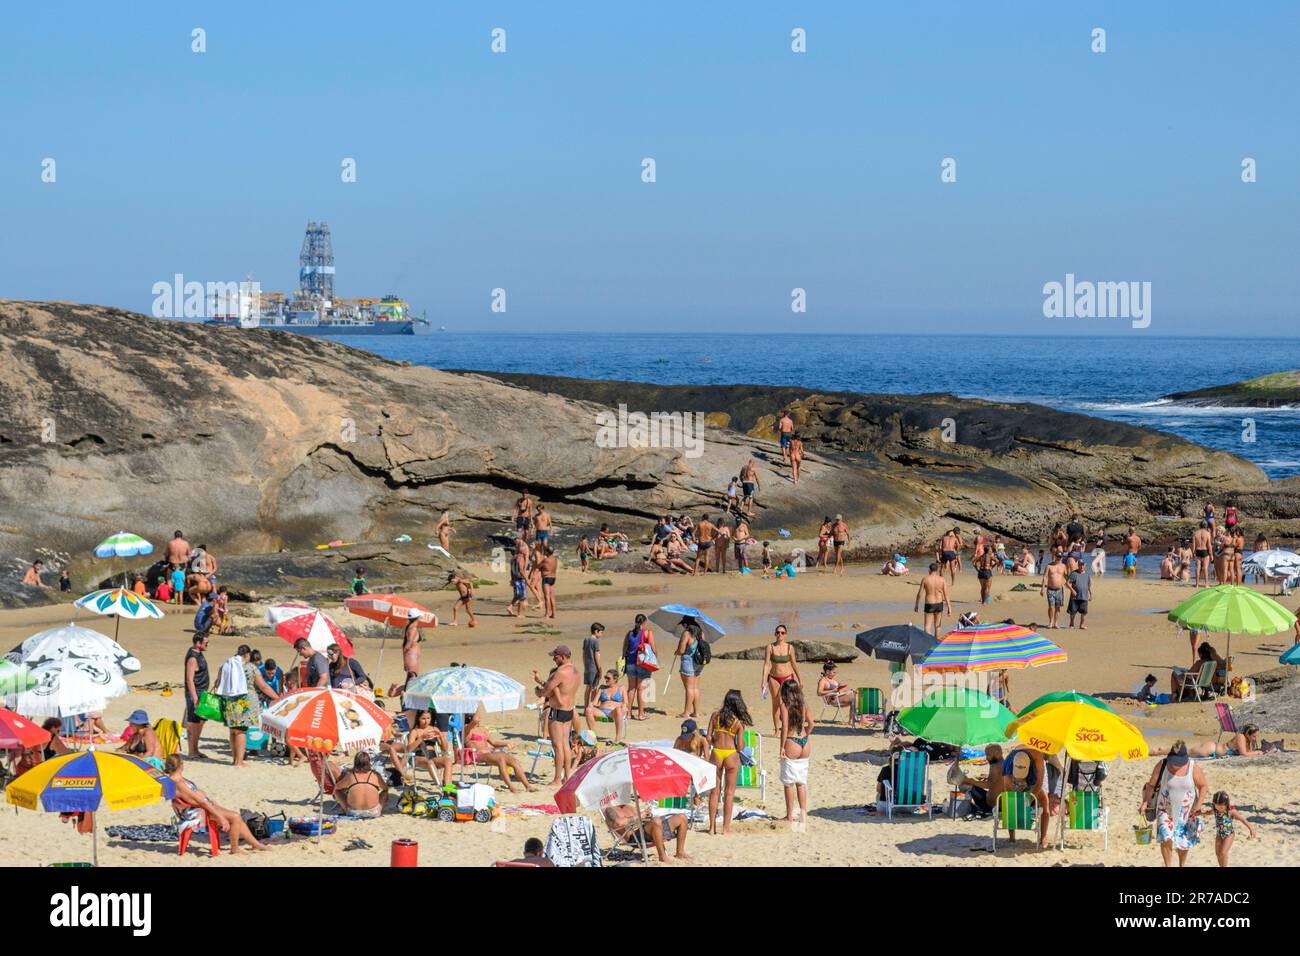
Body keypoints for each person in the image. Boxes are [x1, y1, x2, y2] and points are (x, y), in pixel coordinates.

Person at [165, 754, 268, 853]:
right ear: (181, 765)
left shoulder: (171, 780)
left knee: (236, 817)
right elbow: (199, 801)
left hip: (199, 808)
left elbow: (195, 798)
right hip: (198, 812)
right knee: (235, 817)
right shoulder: (179, 783)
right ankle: (235, 848)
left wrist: (214, 804)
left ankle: (255, 844)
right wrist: (220, 817)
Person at [1140, 741, 1208, 867]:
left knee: (1183, 842)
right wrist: (1145, 802)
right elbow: (1151, 785)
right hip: (1165, 809)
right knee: (1166, 837)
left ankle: (1182, 865)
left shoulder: (1193, 767)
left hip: (1187, 812)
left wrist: (1198, 806)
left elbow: (1203, 786)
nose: (1175, 765)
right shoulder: (1162, 764)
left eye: (1178, 762)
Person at [220, 645, 279, 767]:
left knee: (233, 730)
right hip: (245, 701)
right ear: (247, 655)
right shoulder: (251, 667)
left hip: (230, 700)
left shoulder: (228, 664)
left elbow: (219, 681)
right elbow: (263, 686)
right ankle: (239, 762)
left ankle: (234, 759)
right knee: (241, 730)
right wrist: (277, 698)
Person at [706, 689, 753, 836]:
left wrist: (715, 741)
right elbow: (740, 746)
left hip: (717, 753)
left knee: (714, 792)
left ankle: (712, 828)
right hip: (731, 755)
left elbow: (708, 738)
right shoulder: (738, 723)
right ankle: (725, 829)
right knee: (729, 793)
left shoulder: (715, 716)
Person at [532, 645, 580, 784]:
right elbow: (559, 687)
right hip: (569, 710)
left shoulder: (559, 672)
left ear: (563, 657)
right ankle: (567, 776)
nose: (554, 659)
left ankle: (557, 779)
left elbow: (546, 691)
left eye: (556, 656)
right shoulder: (576, 671)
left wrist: (538, 691)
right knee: (565, 745)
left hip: (557, 711)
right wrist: (540, 681)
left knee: (557, 746)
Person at [463, 710, 536, 793]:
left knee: (514, 761)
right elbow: (475, 719)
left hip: (489, 753)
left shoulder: (482, 729)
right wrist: (478, 705)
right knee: (501, 759)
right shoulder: (466, 730)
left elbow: (494, 743)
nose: (479, 719)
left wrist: (506, 744)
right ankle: (511, 787)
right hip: (478, 755)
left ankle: (527, 786)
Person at [604, 803, 690, 862]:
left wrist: (647, 814)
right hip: (634, 837)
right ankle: (662, 856)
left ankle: (680, 852)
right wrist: (639, 816)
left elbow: (641, 818)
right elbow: (618, 823)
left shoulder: (628, 807)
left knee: (682, 817)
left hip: (648, 829)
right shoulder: (610, 810)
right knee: (656, 821)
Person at [778, 681, 813, 824]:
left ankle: (789, 815)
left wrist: (782, 746)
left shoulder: (785, 705)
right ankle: (803, 814)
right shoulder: (803, 704)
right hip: (804, 742)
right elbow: (812, 723)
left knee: (788, 783)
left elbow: (785, 728)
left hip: (792, 741)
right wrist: (806, 735)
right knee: (801, 782)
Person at [760, 624, 802, 734]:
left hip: (788, 677)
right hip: (774, 678)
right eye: (778, 632)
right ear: (775, 634)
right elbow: (766, 665)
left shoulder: (790, 647)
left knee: (790, 703)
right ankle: (777, 730)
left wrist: (800, 679)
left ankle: (789, 727)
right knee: (776, 703)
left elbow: (794, 664)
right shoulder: (770, 647)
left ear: (786, 634)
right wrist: (763, 681)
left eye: (782, 632)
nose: (780, 634)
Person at [1201, 790, 1256, 867]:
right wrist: (1198, 813)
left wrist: (1251, 828)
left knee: (1223, 853)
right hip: (1219, 834)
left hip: (1229, 835)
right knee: (1218, 853)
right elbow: (1206, 813)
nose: (1219, 808)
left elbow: (1242, 819)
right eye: (1216, 805)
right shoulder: (1215, 810)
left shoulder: (1230, 811)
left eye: (1221, 806)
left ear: (1226, 804)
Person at [334, 751, 388, 818]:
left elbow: (337, 787)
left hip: (353, 812)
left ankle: (344, 808)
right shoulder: (375, 775)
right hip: (373, 812)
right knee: (385, 792)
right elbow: (385, 788)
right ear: (368, 762)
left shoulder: (351, 775)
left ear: (356, 762)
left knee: (336, 791)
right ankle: (379, 811)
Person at [622, 614, 655, 721]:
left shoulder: (629, 633)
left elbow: (624, 649)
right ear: (644, 622)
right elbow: (653, 649)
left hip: (630, 663)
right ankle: (641, 714)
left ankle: (628, 713)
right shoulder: (647, 633)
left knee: (631, 689)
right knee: (641, 689)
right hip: (642, 663)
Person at [183, 633, 210, 759]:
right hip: (195, 693)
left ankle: (196, 749)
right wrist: (195, 699)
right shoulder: (192, 658)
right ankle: (192, 751)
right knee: (193, 723)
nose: (207, 645)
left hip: (202, 692)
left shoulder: (199, 653)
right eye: (205, 643)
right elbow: (189, 680)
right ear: (198, 643)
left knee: (201, 722)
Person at [585, 669, 627, 742]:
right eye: (605, 677)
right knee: (588, 710)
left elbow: (626, 702)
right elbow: (595, 702)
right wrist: (590, 704)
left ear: (615, 679)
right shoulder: (602, 688)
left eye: (608, 678)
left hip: (614, 712)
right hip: (602, 712)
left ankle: (618, 738)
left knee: (618, 709)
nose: (606, 680)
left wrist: (624, 706)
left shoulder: (621, 688)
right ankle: (593, 737)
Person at [674, 617, 704, 719]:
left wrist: (677, 652)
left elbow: (681, 650)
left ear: (686, 624)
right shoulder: (701, 632)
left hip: (689, 662)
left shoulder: (687, 633)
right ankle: (696, 712)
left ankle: (686, 712)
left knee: (689, 688)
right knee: (695, 687)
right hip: (699, 662)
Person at [914, 562, 951, 637]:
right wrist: (949, 607)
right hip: (939, 604)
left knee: (927, 626)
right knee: (937, 626)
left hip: (929, 604)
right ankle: (936, 644)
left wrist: (916, 605)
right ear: (937, 570)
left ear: (929, 570)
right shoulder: (942, 579)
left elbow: (919, 594)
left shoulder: (925, 579)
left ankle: (928, 643)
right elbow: (946, 594)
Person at [581, 622, 604, 716]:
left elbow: (583, 654)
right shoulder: (595, 641)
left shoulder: (586, 640)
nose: (601, 634)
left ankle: (586, 708)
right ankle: (591, 709)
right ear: (596, 631)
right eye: (601, 632)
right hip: (593, 667)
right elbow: (597, 655)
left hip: (587, 667)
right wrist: (599, 668)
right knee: (594, 689)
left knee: (587, 689)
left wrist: (585, 664)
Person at [1066, 554, 1092, 629]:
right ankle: (1071, 624)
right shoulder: (1074, 573)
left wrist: (1091, 594)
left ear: (1085, 565)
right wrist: (1072, 590)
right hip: (1074, 597)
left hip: (1084, 596)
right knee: (1072, 612)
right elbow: (1067, 583)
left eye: (1083, 565)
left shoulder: (1087, 574)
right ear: (1078, 565)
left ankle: (1082, 624)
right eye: (1080, 565)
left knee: (1084, 612)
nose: (1081, 566)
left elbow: (1089, 585)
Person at [401, 608, 424, 684]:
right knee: (412, 677)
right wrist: (405, 658)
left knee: (410, 678)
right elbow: (409, 643)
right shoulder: (413, 629)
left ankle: (404, 695)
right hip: (411, 655)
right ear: (418, 617)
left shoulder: (411, 627)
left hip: (412, 655)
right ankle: (404, 695)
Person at [538, 544, 559, 619]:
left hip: (546, 578)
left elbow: (539, 566)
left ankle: (547, 614)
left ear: (547, 552)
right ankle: (553, 614)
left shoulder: (545, 560)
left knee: (547, 597)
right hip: (553, 578)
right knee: (552, 597)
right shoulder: (555, 559)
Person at [1191, 521, 1214, 588]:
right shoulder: (1207, 533)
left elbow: (1194, 545)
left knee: (1198, 568)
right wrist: (1211, 554)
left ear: (1200, 525)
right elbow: (1209, 545)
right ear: (1206, 526)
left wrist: (1193, 553)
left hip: (1198, 551)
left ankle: (1197, 584)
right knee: (1205, 568)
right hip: (1205, 551)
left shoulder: (1195, 533)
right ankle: (1206, 584)